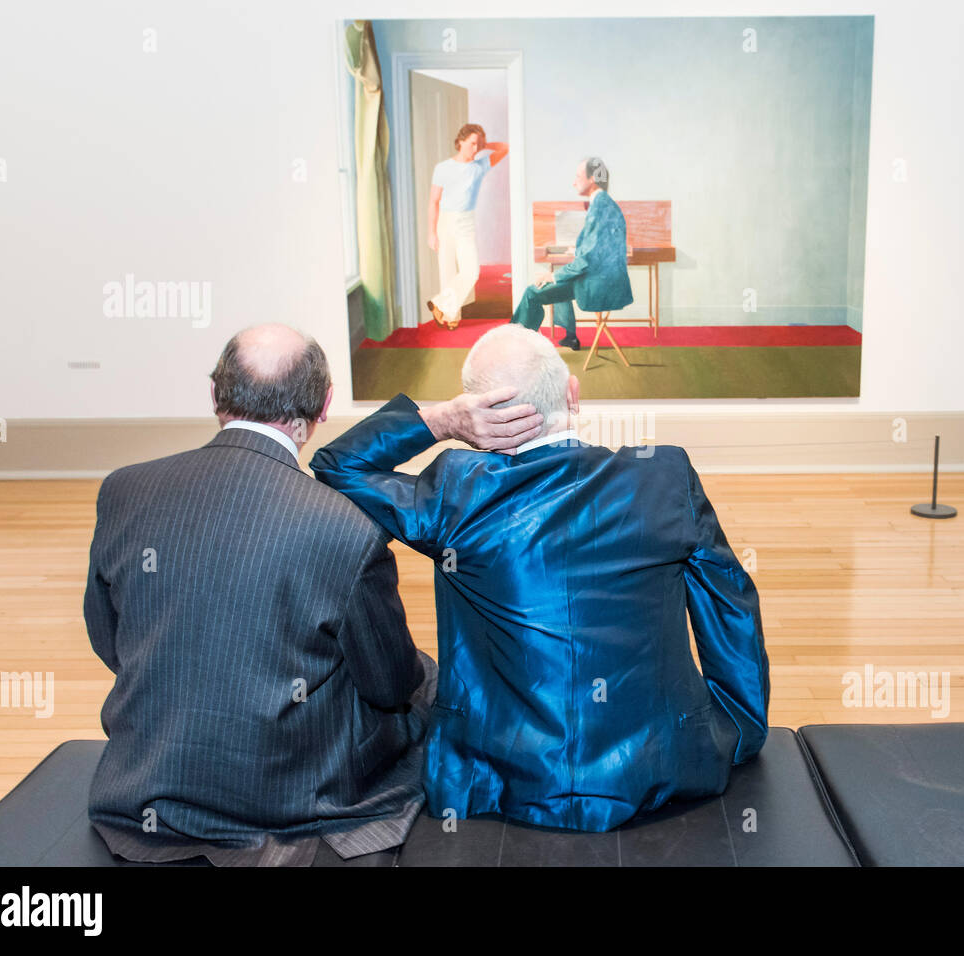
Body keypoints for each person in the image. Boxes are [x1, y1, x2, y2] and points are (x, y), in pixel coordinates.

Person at [83, 323, 539, 865]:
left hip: (146, 781)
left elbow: (109, 639)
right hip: (288, 795)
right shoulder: (345, 526)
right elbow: (389, 683)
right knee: (432, 680)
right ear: (323, 407)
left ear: (213, 394)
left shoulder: (124, 488)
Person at [311, 325, 770, 833]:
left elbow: (337, 464)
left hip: (500, 778)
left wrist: (439, 421)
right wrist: (738, 731)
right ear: (572, 393)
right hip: (664, 768)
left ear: (476, 413)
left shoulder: (455, 493)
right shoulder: (665, 476)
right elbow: (731, 608)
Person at [510, 157, 634, 350]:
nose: (573, 182)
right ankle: (570, 336)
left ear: (592, 179)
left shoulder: (599, 207)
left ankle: (517, 345)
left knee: (532, 292)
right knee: (562, 278)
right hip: (605, 280)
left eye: (578, 176)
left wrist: (553, 275)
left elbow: (586, 261)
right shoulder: (604, 204)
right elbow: (599, 248)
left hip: (599, 285)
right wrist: (576, 250)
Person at [426, 123, 509, 330]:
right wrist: (431, 232)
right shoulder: (442, 168)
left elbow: (505, 148)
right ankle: (451, 315)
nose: (475, 149)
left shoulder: (480, 166)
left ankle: (439, 303)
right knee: (447, 271)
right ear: (460, 141)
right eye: (472, 143)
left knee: (471, 271)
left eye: (478, 145)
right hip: (445, 222)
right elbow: (434, 201)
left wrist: (483, 143)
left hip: (465, 223)